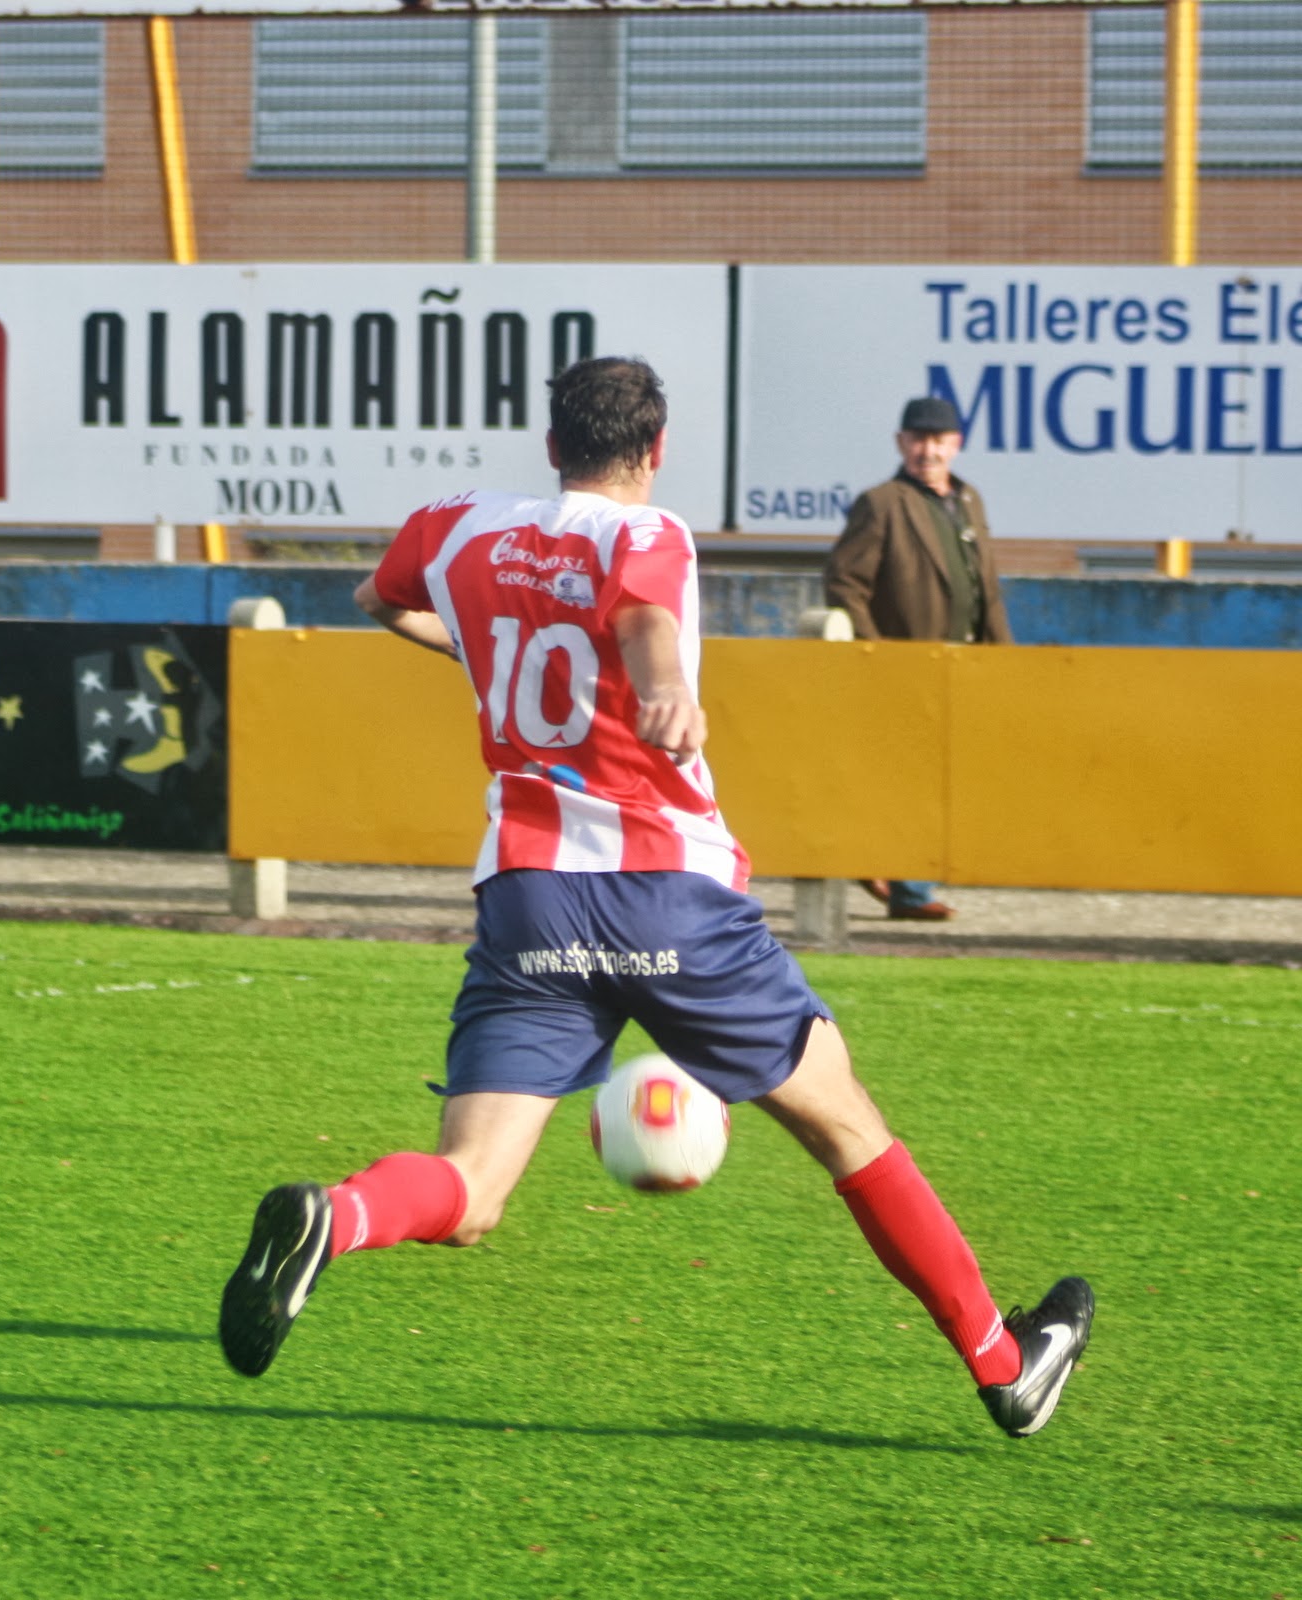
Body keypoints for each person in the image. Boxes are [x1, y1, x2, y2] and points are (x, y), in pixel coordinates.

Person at [218, 357, 1092, 1439]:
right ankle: (1003, 1363)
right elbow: (639, 621)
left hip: (530, 895)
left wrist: (488, 659)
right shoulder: (651, 534)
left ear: (550, 444)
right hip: (664, 893)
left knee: (473, 1183)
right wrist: (666, 684)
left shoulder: (456, 524)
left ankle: (337, 1216)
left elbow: (375, 598)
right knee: (844, 1125)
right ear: (656, 447)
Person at [823, 395, 1013, 923]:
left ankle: (880, 863)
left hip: (961, 664)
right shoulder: (883, 503)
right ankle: (905, 887)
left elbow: (985, 589)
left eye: (938, 440)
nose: (928, 450)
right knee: (911, 778)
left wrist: (1004, 660)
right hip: (904, 665)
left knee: (935, 778)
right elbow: (844, 583)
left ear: (957, 444)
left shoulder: (968, 500)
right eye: (918, 439)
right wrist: (877, 652)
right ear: (901, 443)